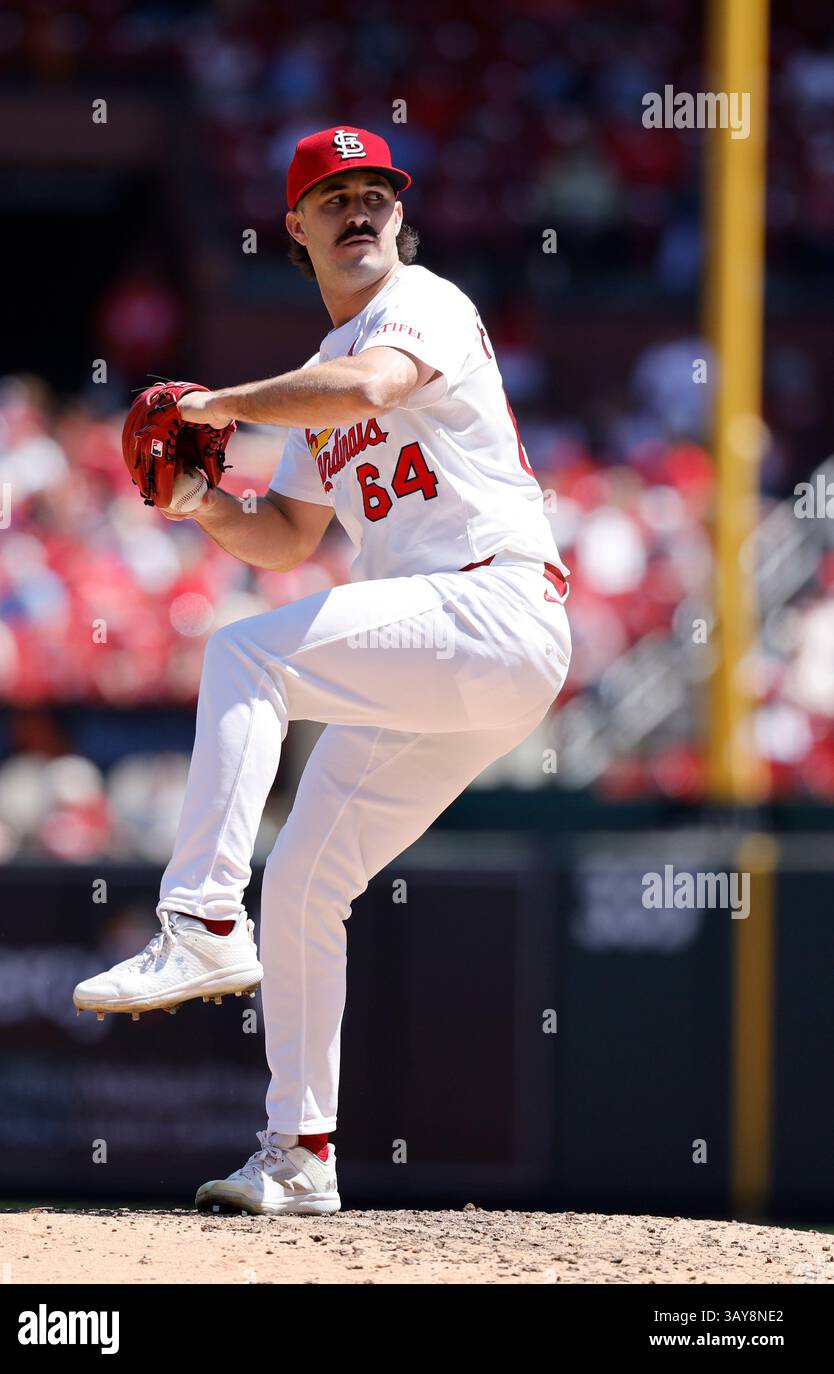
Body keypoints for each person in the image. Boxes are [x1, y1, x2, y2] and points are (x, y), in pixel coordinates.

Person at [74, 125, 572, 1216]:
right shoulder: (315, 378)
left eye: (374, 194)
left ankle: (199, 922)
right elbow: (291, 534)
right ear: (294, 229)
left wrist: (217, 405)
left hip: (495, 603)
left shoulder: (421, 307)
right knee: (304, 882)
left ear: (401, 217)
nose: (358, 209)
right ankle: (300, 1154)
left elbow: (363, 388)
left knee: (244, 652)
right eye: (331, 196)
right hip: (450, 655)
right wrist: (205, 502)